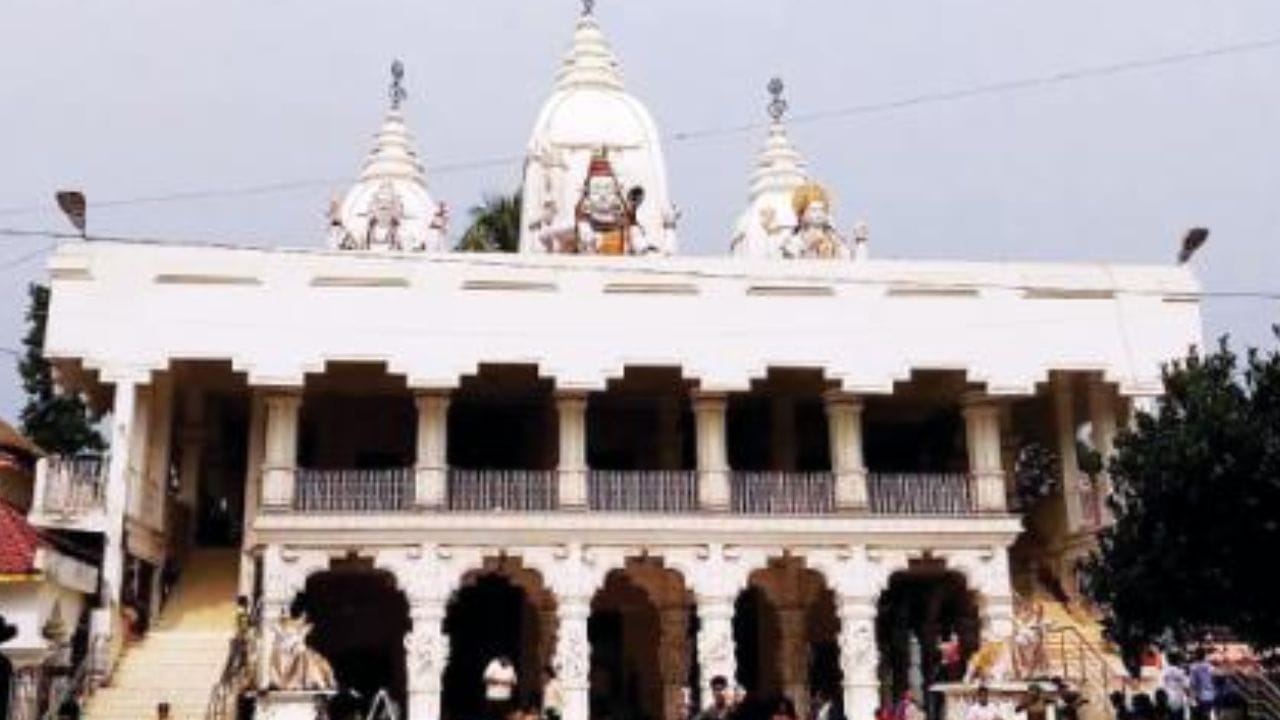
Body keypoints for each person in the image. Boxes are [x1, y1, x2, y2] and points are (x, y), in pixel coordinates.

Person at [484, 655, 518, 720]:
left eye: (508, 663)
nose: (506, 665)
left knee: (505, 717)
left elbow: (514, 682)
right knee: (491, 716)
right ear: (500, 660)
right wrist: (500, 681)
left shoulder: (511, 667)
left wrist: (509, 684)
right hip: (492, 697)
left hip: (505, 697)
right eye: (504, 663)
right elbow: (486, 679)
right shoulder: (493, 664)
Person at [1188, 651, 1216, 720]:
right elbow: (1214, 681)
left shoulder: (1194, 668)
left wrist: (1192, 699)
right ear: (1204, 656)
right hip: (1210, 696)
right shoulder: (1211, 667)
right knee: (1207, 716)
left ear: (1196, 656)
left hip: (1199, 697)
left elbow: (1192, 684)